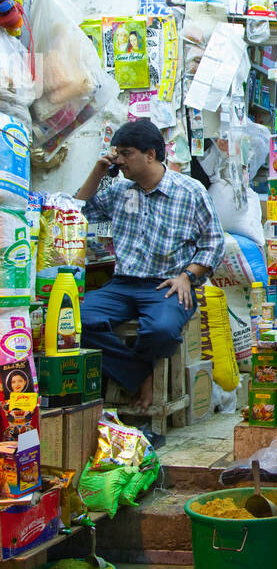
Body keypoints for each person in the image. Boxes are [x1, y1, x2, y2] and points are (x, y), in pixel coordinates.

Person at [76, 119, 225, 415]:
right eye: (117, 152)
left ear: (150, 155)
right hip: (122, 284)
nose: (120, 160)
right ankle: (139, 374)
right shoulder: (120, 191)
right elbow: (75, 210)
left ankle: (134, 374)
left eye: (126, 153)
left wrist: (187, 276)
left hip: (167, 284)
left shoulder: (189, 190)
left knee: (161, 330)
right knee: (71, 322)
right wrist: (98, 172)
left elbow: (214, 243)